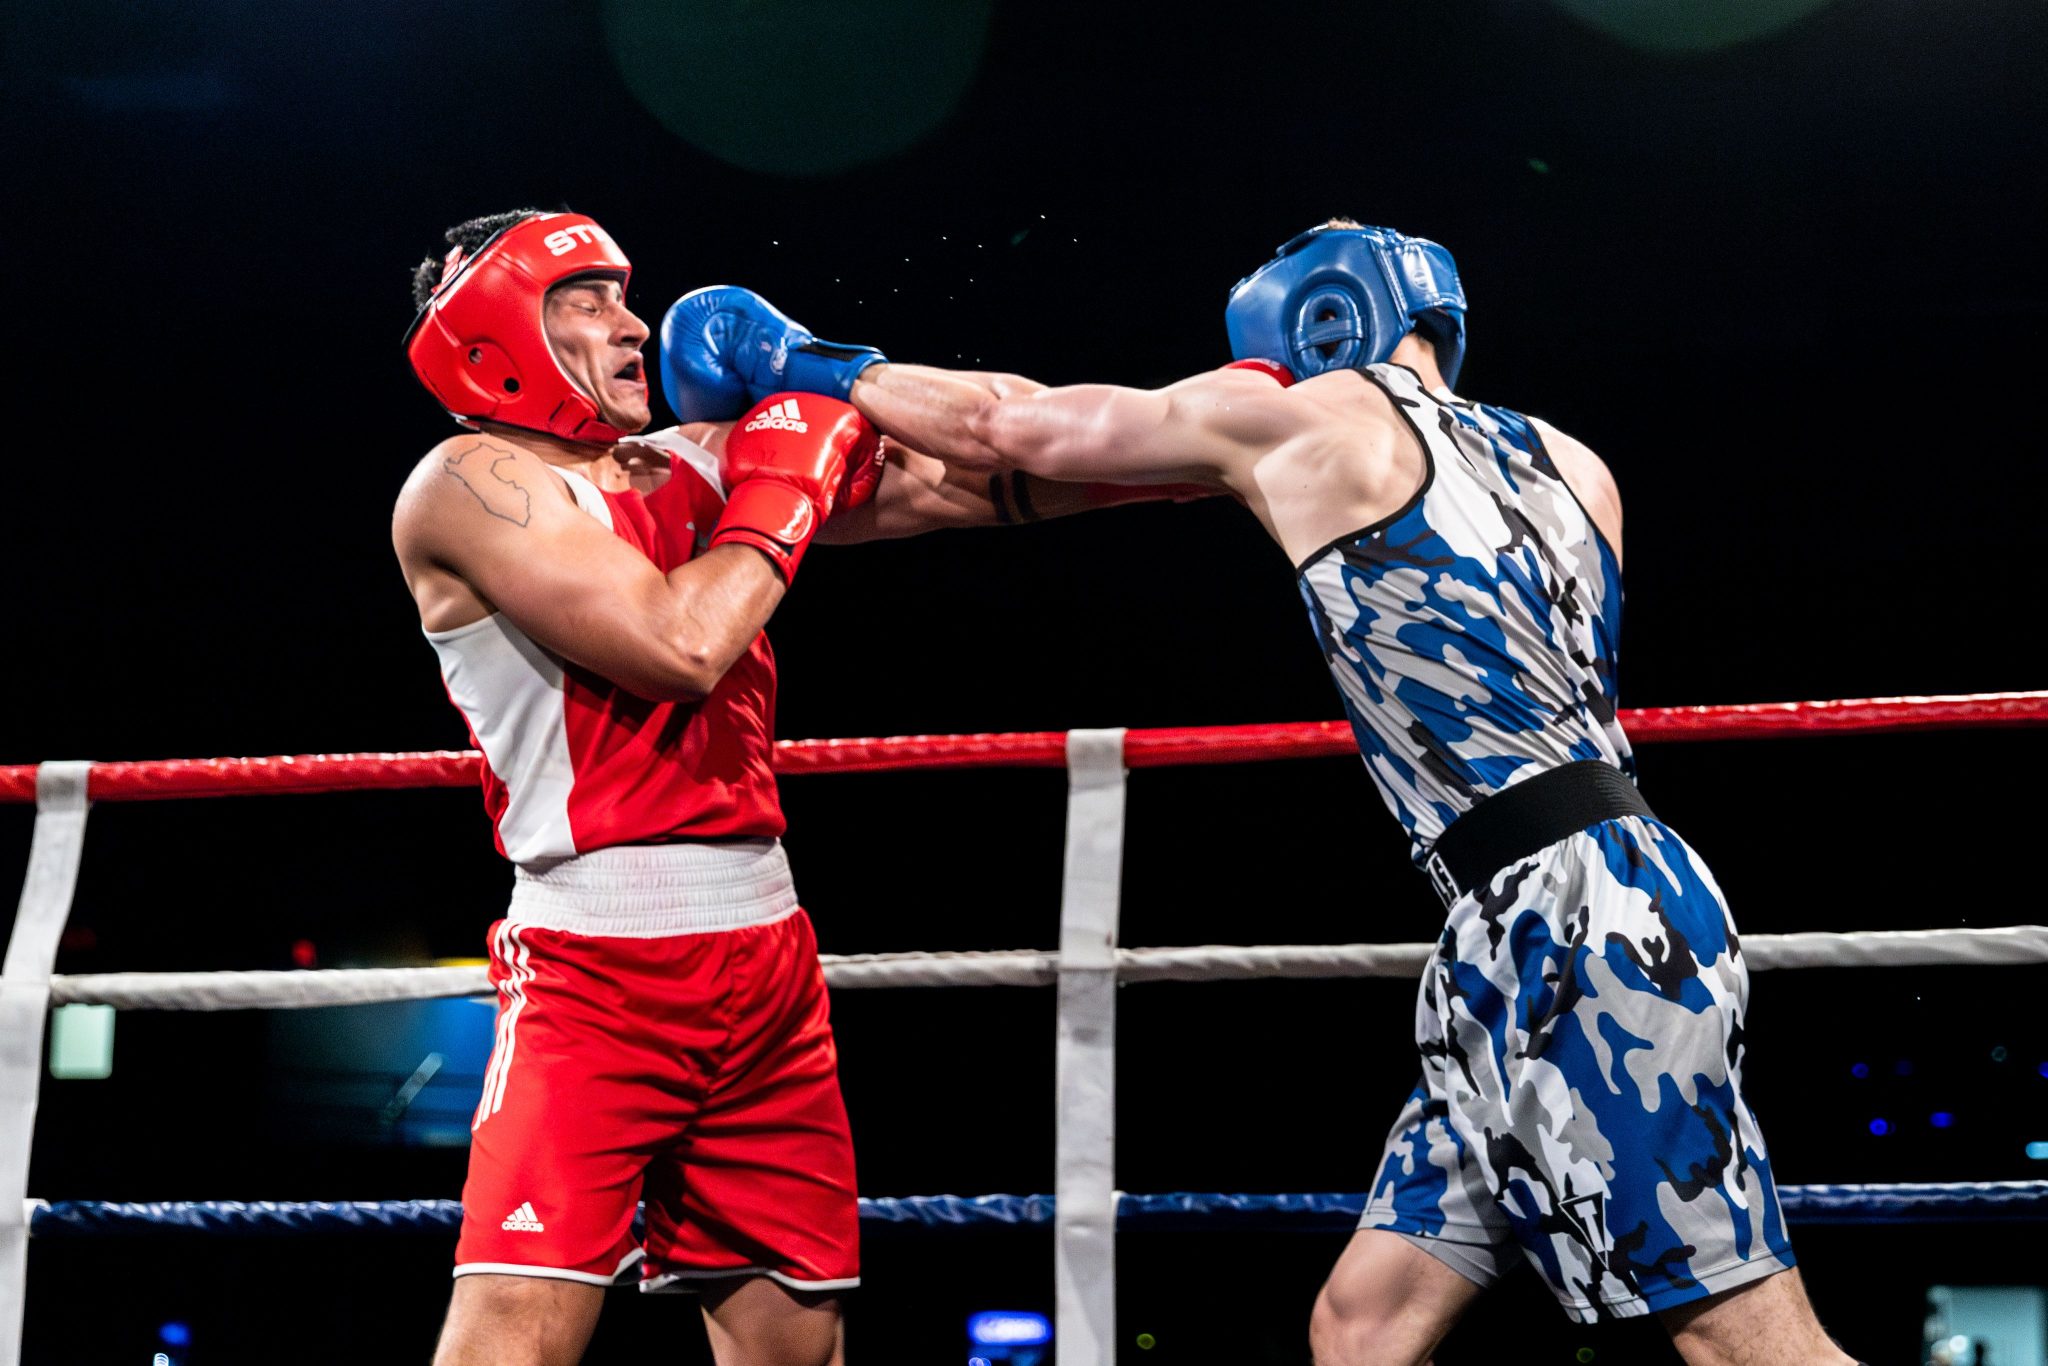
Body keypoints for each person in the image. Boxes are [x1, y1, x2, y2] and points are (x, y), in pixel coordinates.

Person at [662, 223, 1863, 1364]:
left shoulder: (1313, 414)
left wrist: (807, 361)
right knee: (1359, 1327)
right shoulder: (1570, 462)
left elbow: (1008, 426)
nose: (1253, 378)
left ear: (1322, 323)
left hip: (1575, 930)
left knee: (1740, 1337)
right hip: (1555, 904)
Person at [393, 208, 1194, 1366]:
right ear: (496, 330)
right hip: (593, 975)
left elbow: (1000, 458)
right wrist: (782, 485)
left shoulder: (683, 465)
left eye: (627, 295)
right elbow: (675, 646)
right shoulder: (467, 484)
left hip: (765, 957)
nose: (633, 326)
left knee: (794, 1339)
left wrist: (1204, 452)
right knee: (513, 1335)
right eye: (588, 300)